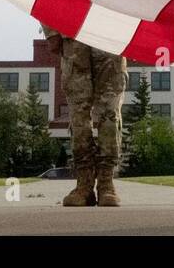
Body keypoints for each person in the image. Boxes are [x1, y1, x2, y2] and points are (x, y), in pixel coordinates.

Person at [43, 27, 127, 206]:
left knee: (110, 114)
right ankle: (84, 184)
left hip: (111, 34)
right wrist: (50, 31)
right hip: (73, 36)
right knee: (79, 116)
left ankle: (106, 183)